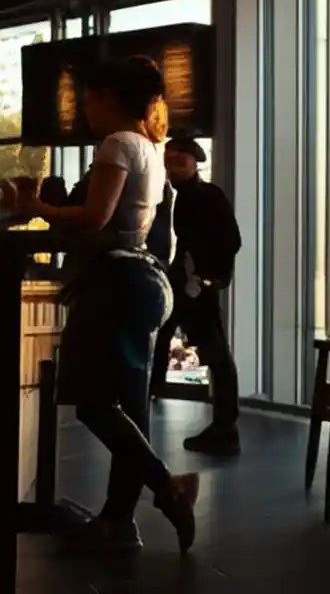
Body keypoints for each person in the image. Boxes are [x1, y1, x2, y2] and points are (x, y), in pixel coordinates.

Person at [5, 56, 198, 553]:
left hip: (114, 282)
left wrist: (34, 208)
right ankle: (118, 520)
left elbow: (94, 217)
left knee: (91, 401)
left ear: (109, 96)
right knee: (130, 407)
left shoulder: (117, 143)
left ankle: (167, 486)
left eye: (87, 99)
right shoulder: (151, 148)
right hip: (144, 282)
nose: (83, 108)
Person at [153, 136, 242, 456]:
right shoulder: (186, 197)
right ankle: (222, 425)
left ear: (194, 161)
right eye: (169, 162)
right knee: (199, 345)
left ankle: (225, 426)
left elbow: (230, 240)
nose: (173, 169)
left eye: (180, 161)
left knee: (215, 351)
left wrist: (205, 277)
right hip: (188, 279)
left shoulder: (206, 197)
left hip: (198, 282)